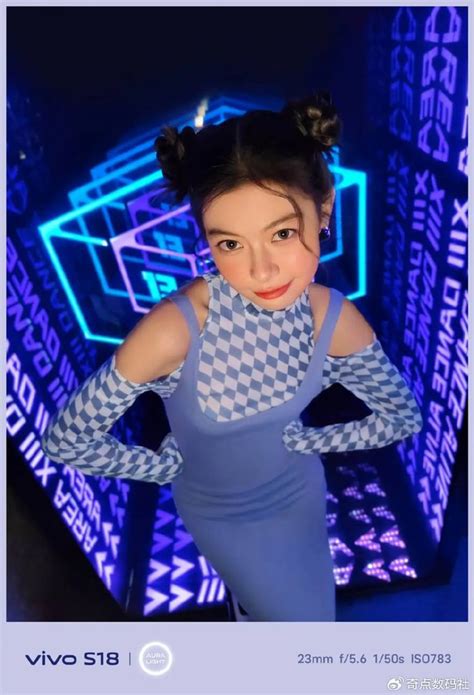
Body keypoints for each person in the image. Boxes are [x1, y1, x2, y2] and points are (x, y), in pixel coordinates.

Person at [41, 90, 423, 621]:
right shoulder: (175, 330)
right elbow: (66, 441)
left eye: (282, 233)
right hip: (221, 518)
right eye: (230, 244)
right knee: (299, 631)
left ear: (324, 208)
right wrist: (158, 467)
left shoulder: (331, 319)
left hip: (300, 497)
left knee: (313, 615)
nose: (260, 271)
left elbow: (402, 418)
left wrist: (314, 440)